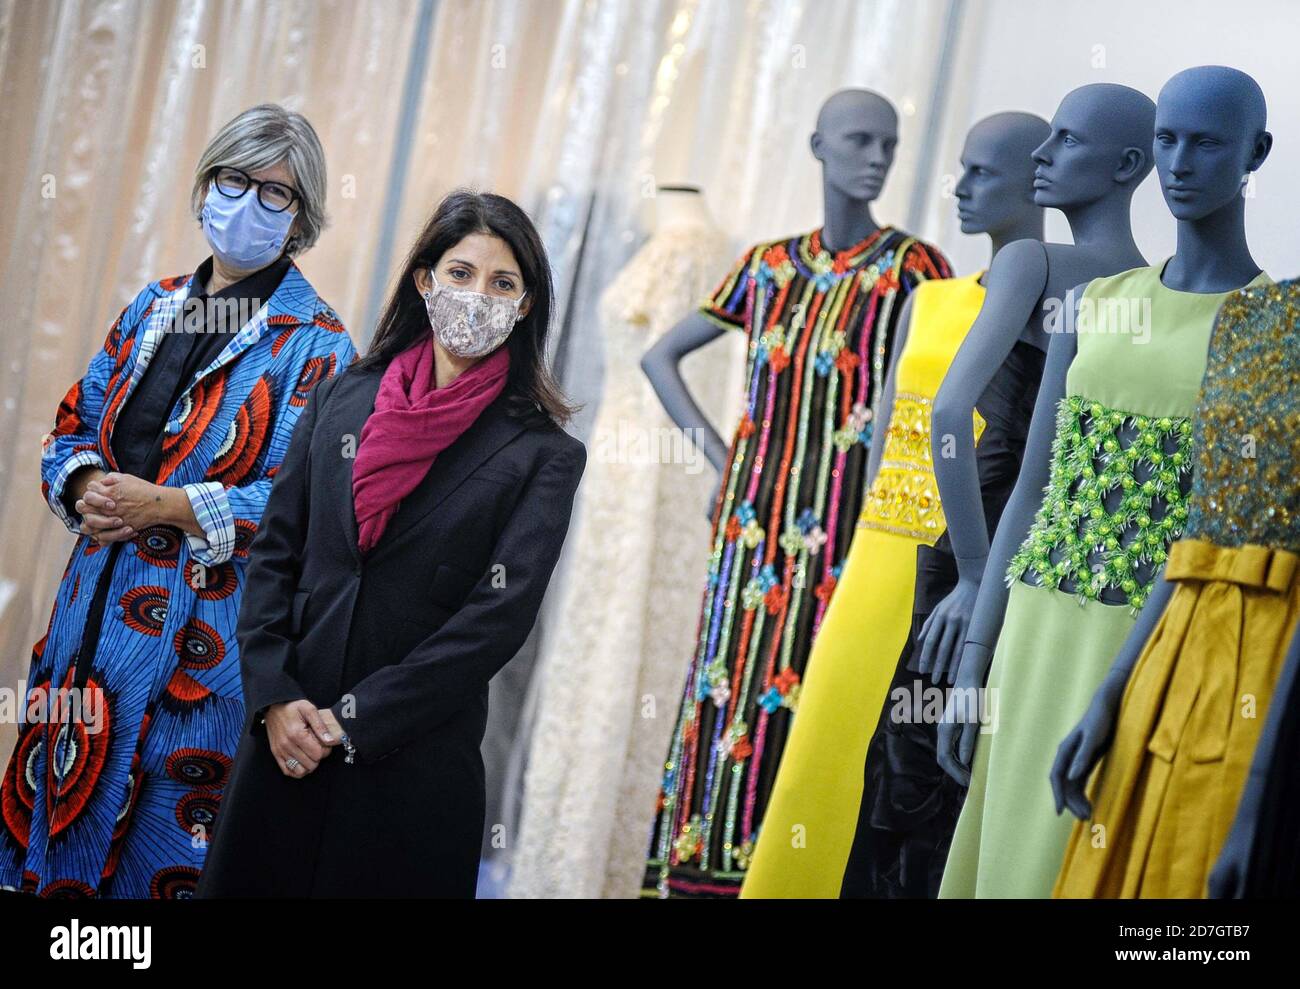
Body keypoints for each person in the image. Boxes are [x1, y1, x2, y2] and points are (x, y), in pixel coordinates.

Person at [0, 103, 356, 899]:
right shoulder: (153, 304)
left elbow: (305, 505)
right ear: (204, 186)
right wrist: (88, 483)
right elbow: (73, 424)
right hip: (87, 624)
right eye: (236, 180)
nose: (250, 203)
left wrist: (170, 506)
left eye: (278, 194)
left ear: (302, 218)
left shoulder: (320, 343)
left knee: (158, 855)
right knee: (53, 821)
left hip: (200, 645)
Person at [197, 190, 587, 898]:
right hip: (284, 743)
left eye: (503, 283)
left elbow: (494, 621)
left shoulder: (544, 454)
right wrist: (276, 698)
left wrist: (353, 721)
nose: (478, 296)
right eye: (461, 273)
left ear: (526, 305)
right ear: (424, 280)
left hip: (409, 765)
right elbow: (275, 553)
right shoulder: (343, 395)